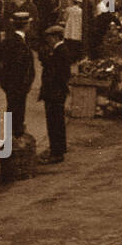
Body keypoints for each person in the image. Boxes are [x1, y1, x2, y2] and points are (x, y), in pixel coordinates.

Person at [0, 13, 36, 142]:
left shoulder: (9, 40)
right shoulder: (17, 42)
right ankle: (15, 139)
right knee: (17, 110)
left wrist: (0, 78)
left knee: (13, 109)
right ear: (26, 25)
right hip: (18, 84)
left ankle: (14, 137)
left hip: (13, 83)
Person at [37, 24, 73, 164]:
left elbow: (57, 73)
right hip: (57, 92)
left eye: (50, 38)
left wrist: (46, 60)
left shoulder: (60, 51)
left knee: (54, 123)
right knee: (57, 122)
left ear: (56, 37)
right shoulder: (59, 50)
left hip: (54, 92)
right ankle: (58, 149)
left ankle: (56, 152)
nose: (48, 41)